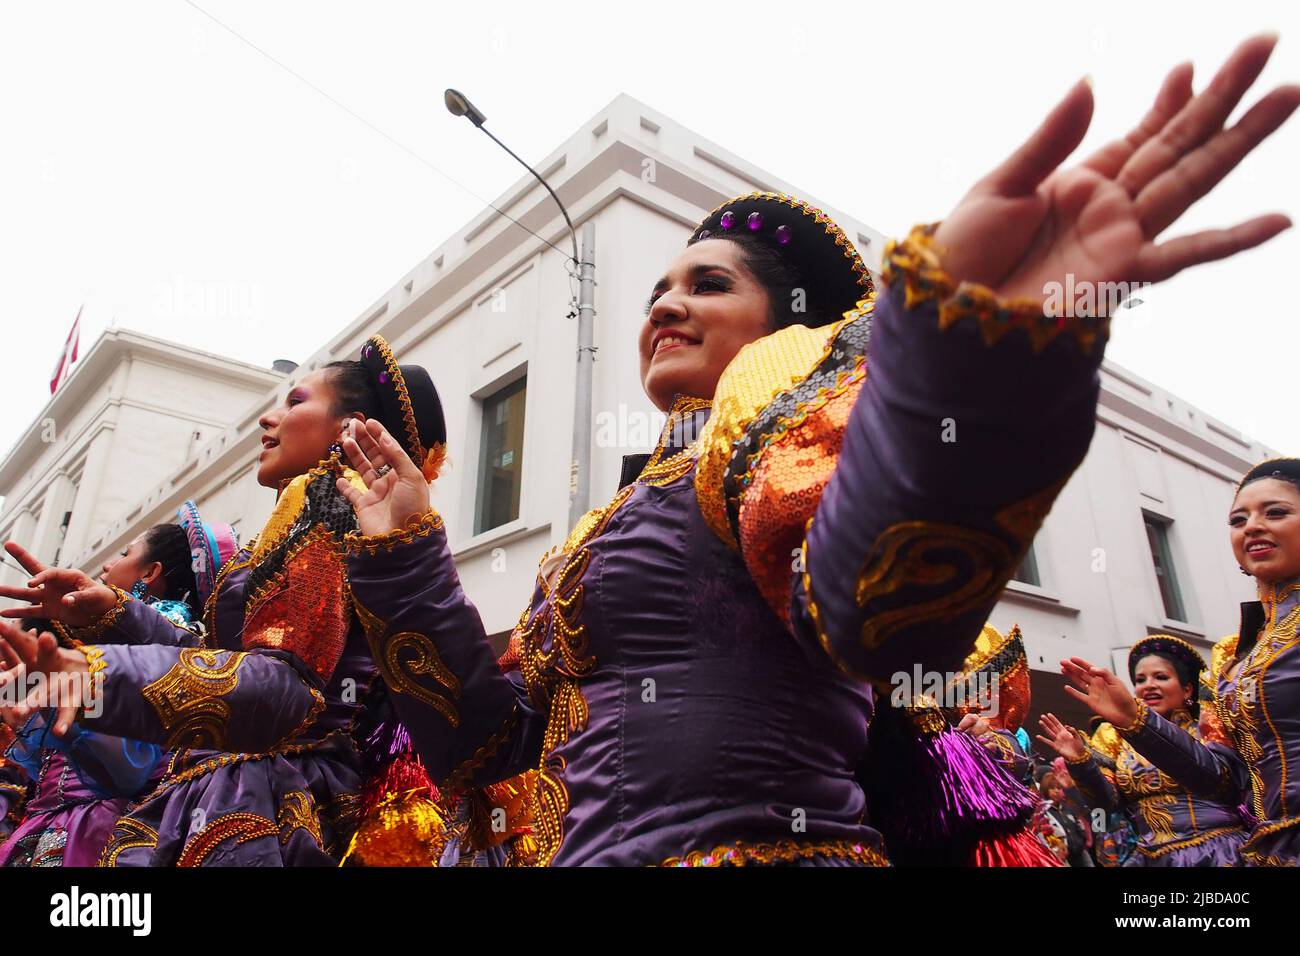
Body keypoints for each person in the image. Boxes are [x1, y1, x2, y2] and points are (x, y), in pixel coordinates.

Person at [4, 34, 1296, 867]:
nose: (666, 302)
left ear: (794, 338)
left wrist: (967, 351)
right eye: (659, 283)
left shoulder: (775, 445)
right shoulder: (607, 534)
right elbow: (484, 741)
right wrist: (404, 562)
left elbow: (880, 599)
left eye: (712, 283)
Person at [0, 340, 449, 866]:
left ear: (347, 428)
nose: (269, 418)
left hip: (265, 800)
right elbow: (224, 657)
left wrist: (99, 673)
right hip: (237, 786)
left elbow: (286, 686)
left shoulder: (332, 503)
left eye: (295, 402)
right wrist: (113, 616)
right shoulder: (305, 513)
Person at [1063, 457, 1300, 865]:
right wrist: (1134, 720)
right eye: (1238, 519)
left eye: (1275, 512)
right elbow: (1221, 779)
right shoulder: (1234, 657)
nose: (1252, 527)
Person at [0, 510, 232, 867]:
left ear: (149, 573)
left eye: (125, 554)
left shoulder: (168, 640)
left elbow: (132, 762)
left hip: (104, 828)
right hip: (51, 823)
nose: (107, 565)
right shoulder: (101, 642)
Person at [1039, 635, 1247, 866]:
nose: (1148, 685)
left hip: (1216, 854)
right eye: (1140, 680)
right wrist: (1080, 762)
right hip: (1150, 858)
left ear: (1188, 690)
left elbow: (1225, 783)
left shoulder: (1209, 728)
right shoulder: (1116, 738)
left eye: (1161, 677)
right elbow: (1106, 806)